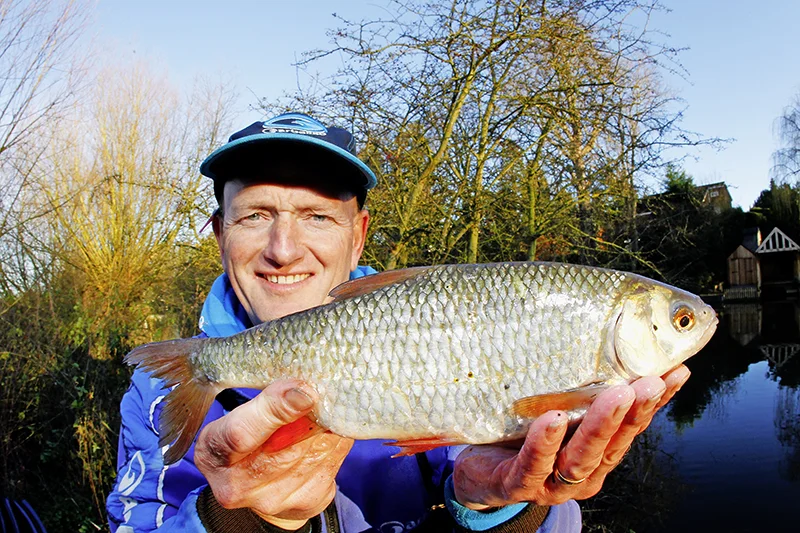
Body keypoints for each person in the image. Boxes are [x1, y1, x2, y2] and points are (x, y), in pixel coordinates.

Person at [106, 112, 691, 533]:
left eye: (316, 216)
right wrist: (235, 523)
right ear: (220, 234)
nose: (283, 249)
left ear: (359, 235)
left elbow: (526, 501)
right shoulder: (160, 390)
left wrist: (501, 506)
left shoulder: (434, 333)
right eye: (255, 216)